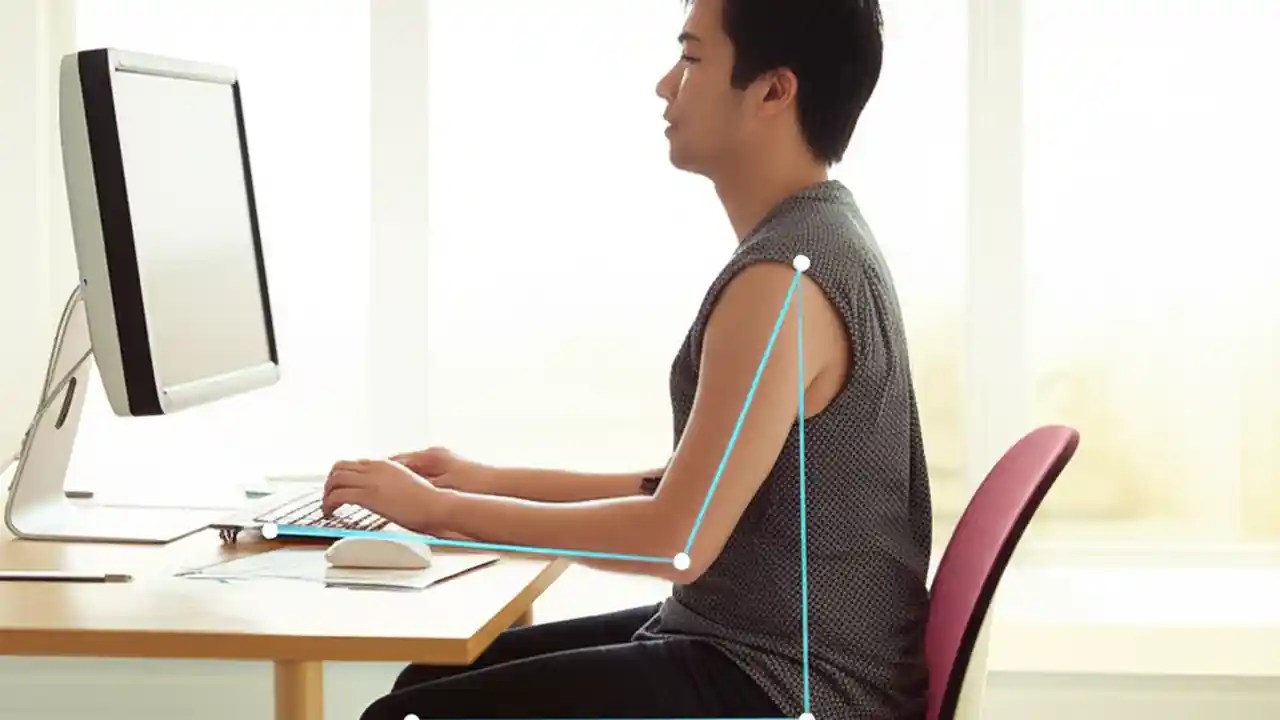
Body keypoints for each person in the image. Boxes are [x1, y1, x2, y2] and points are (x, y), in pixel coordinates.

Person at [333, 0, 932, 717]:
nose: (665, 84)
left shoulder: (782, 284)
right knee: (423, 684)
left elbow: (676, 541)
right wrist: (482, 481)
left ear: (773, 90)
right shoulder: (818, 241)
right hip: (756, 648)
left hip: (791, 685)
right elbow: (683, 490)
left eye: (693, 57)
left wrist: (443, 510)